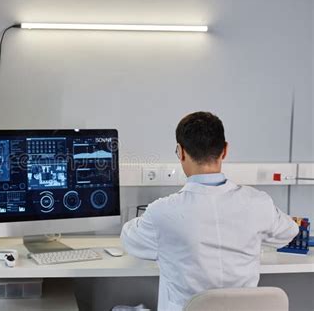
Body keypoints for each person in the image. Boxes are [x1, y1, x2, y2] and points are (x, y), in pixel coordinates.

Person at [120, 111, 299, 311]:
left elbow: (129, 240)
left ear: (180, 152)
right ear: (225, 150)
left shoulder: (162, 213)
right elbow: (290, 231)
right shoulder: (258, 203)